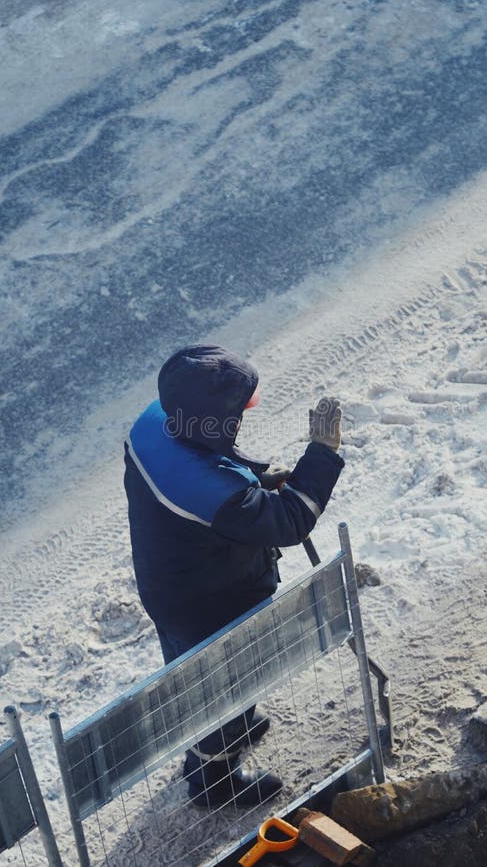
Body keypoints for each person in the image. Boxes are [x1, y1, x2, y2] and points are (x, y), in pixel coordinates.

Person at [124, 344, 344, 808]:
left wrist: (256, 483)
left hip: (170, 584)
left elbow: (211, 472)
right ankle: (213, 781)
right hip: (211, 602)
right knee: (223, 688)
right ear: (212, 421)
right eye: (236, 416)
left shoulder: (154, 423)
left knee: (193, 677)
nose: (242, 421)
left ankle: (224, 734)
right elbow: (289, 522)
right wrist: (320, 455)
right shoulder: (210, 491)